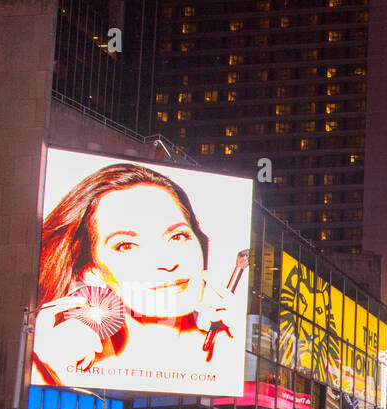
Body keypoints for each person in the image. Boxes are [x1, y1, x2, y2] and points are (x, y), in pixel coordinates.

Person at [34, 161, 244, 388]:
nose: (166, 262)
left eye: (177, 236)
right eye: (126, 245)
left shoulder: (227, 356)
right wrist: (62, 377)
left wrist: (237, 355)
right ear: (92, 272)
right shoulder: (59, 362)